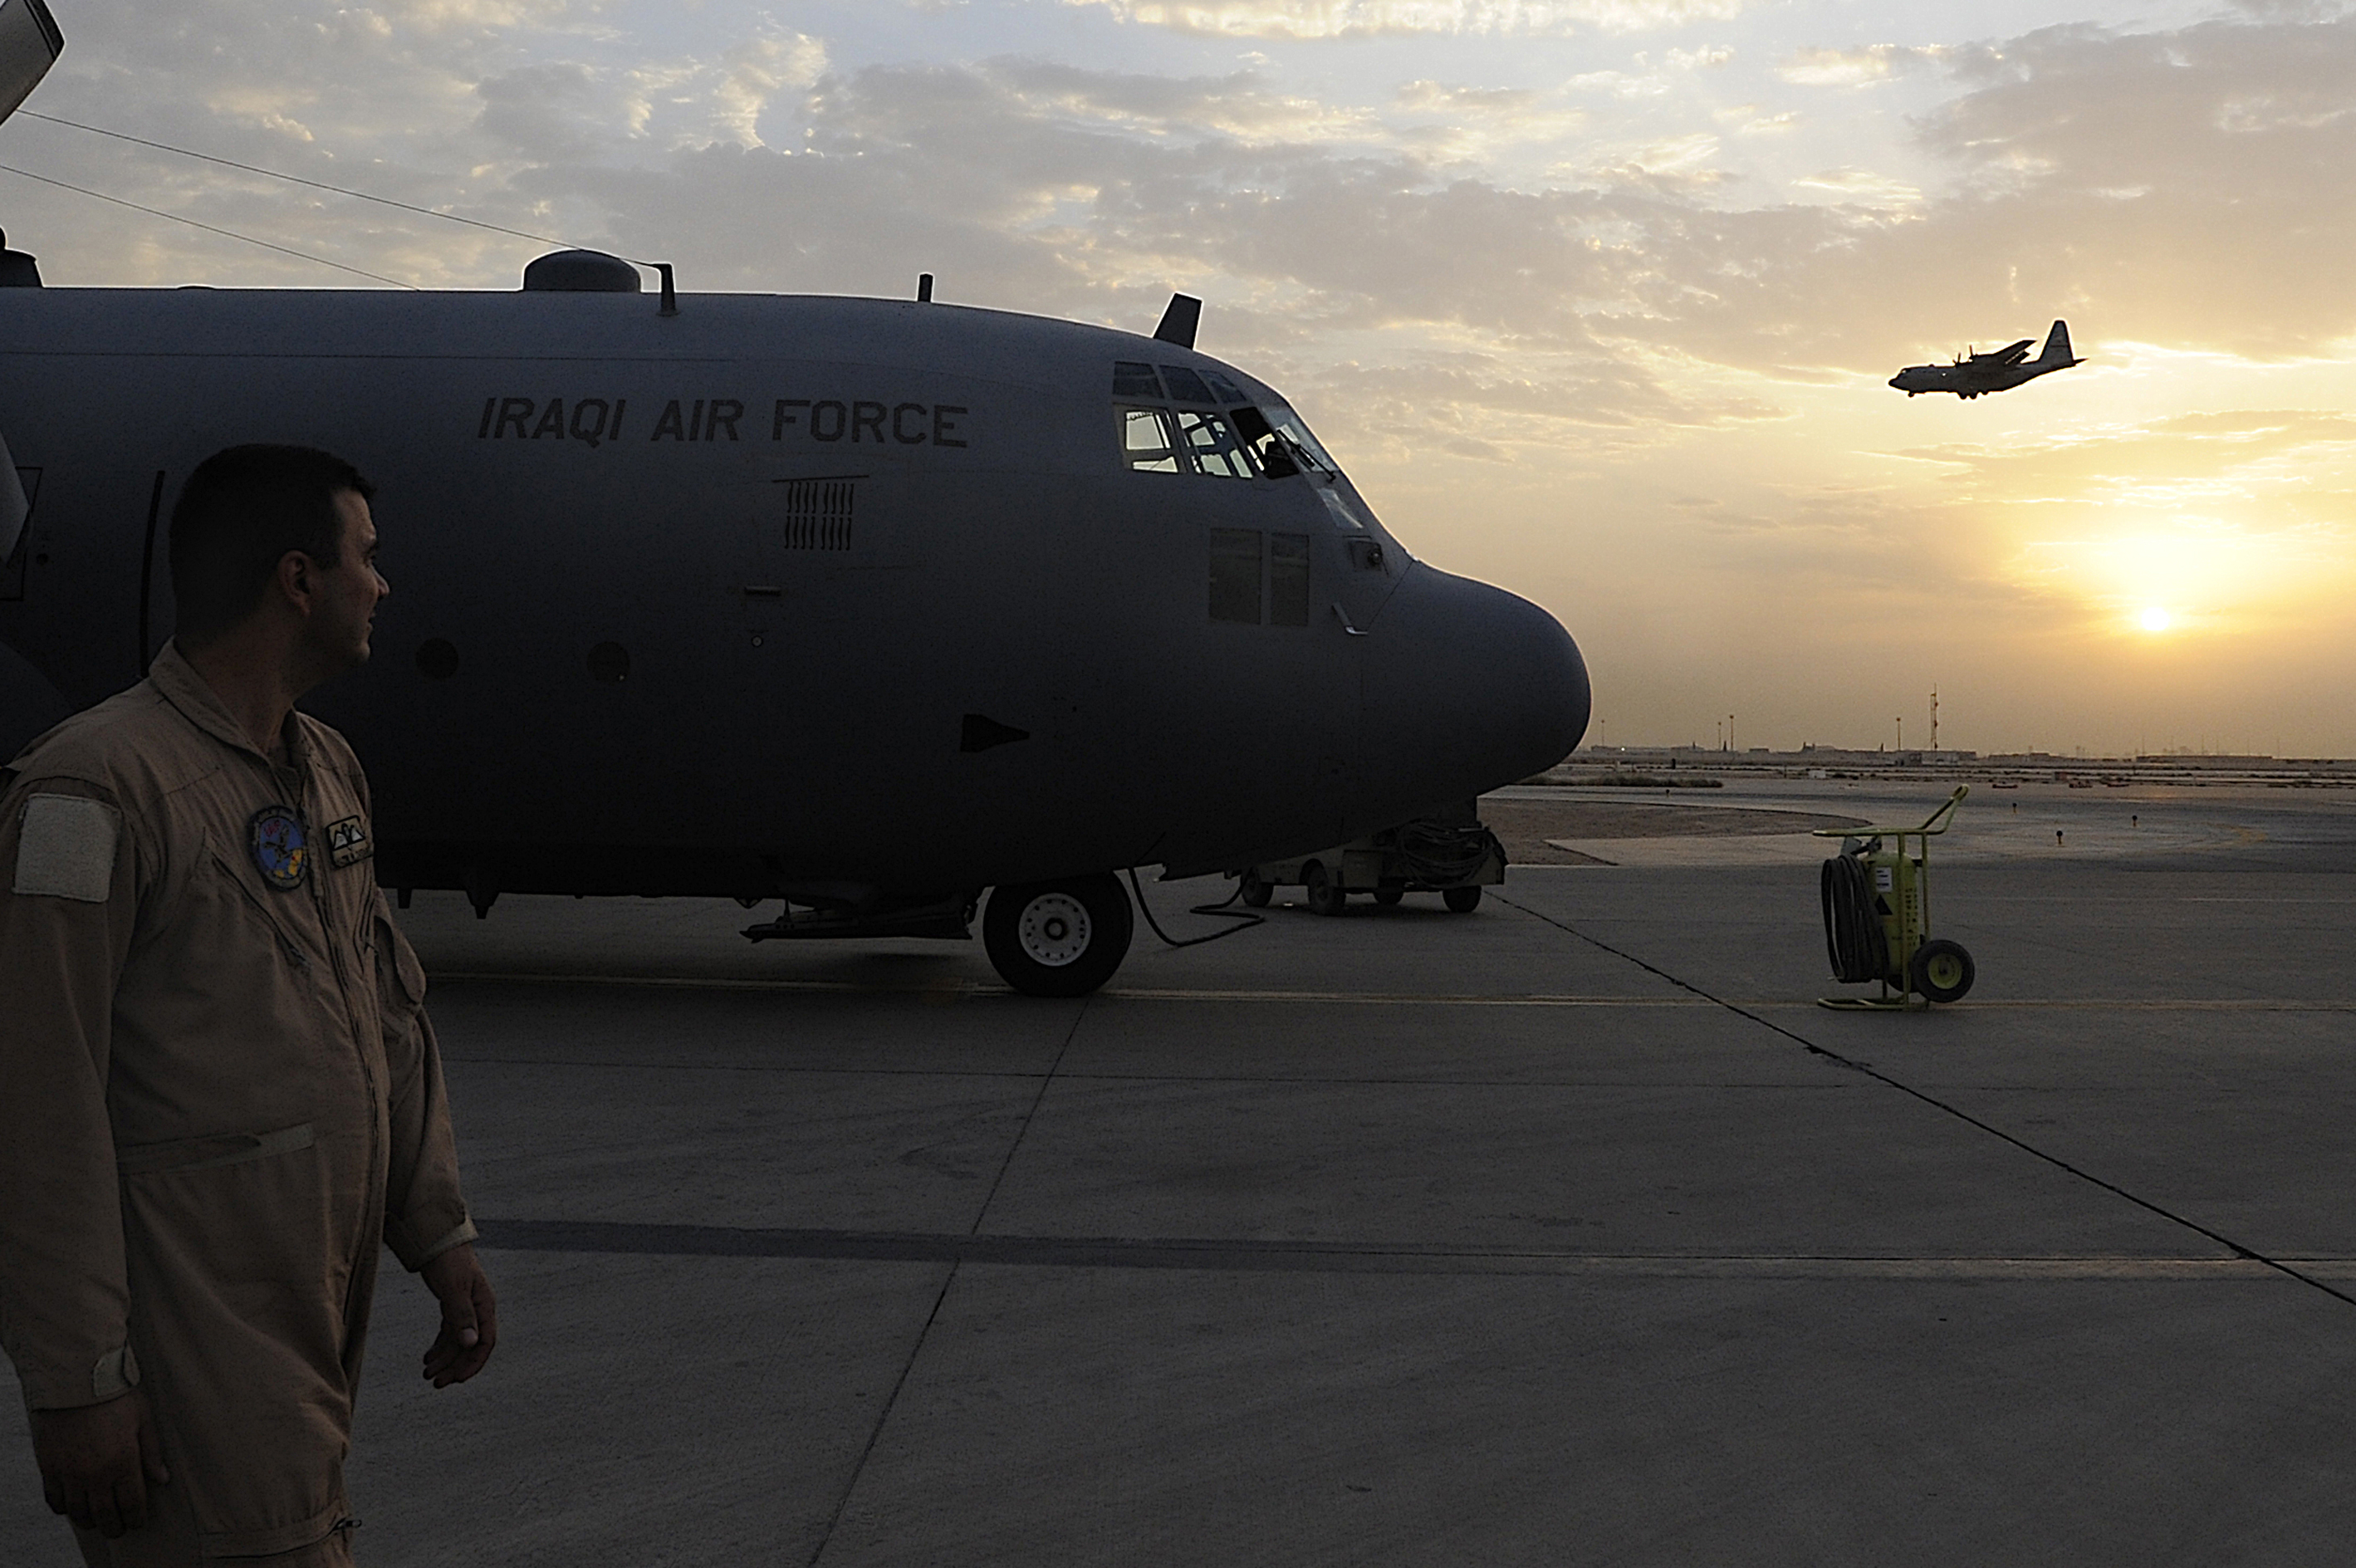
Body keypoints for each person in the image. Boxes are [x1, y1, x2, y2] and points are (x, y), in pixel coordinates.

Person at [0, 445, 496, 1565]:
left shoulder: (326, 769)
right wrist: (78, 1381)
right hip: (190, 1332)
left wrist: (438, 1230)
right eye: (366, 556)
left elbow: (383, 1008)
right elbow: (34, 1096)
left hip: (300, 1315)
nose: (383, 584)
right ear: (298, 580)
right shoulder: (92, 789)